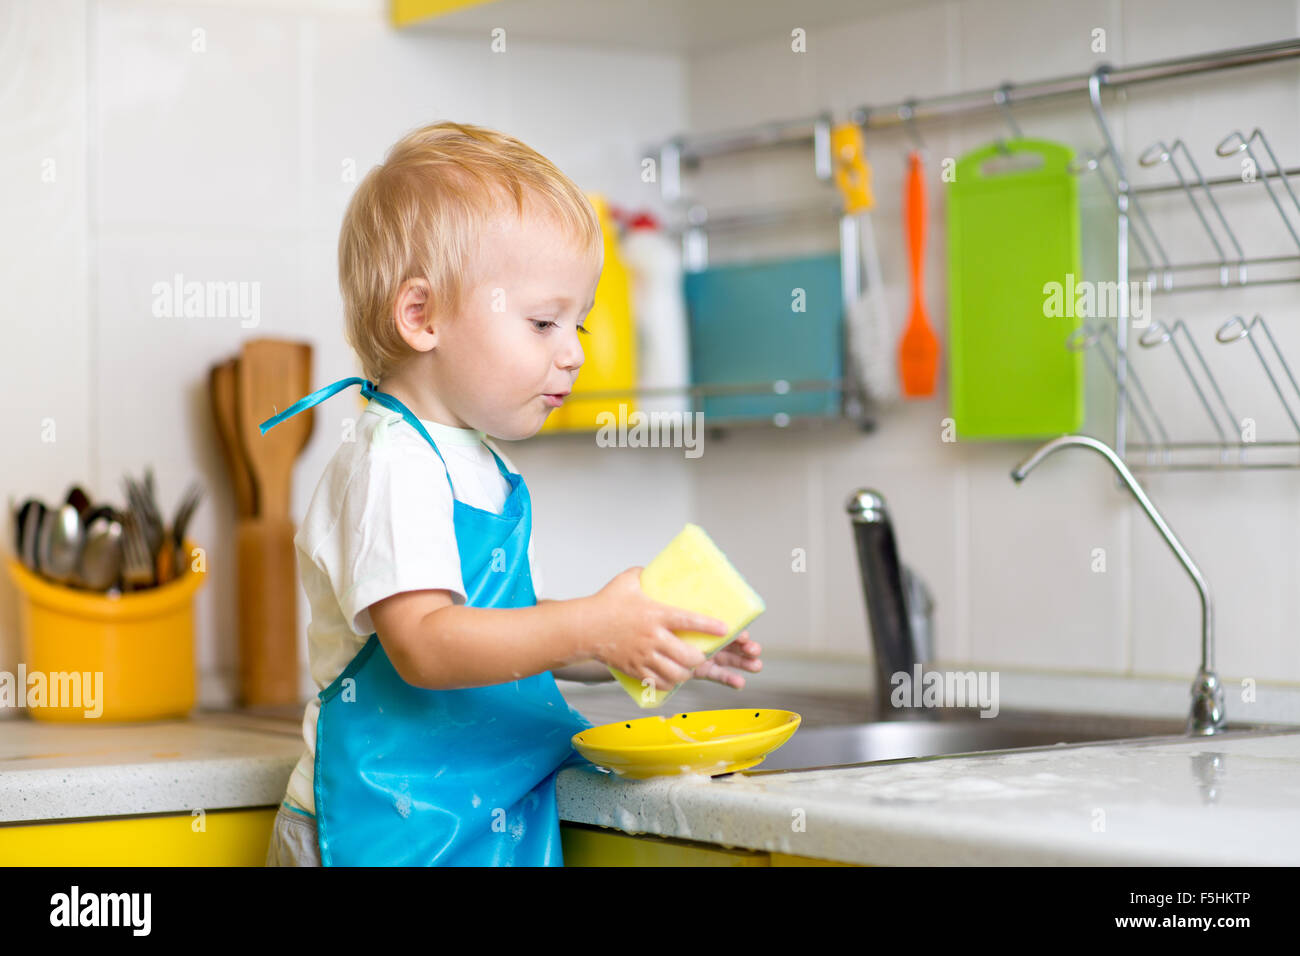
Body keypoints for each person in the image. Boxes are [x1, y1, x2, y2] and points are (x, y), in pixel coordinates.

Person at [261, 120, 763, 866]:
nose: (575, 351)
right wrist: (591, 625)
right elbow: (429, 646)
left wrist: (635, 641)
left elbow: (505, 634)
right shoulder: (390, 462)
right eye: (543, 322)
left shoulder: (477, 461)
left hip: (469, 825)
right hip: (380, 830)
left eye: (580, 323)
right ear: (421, 316)